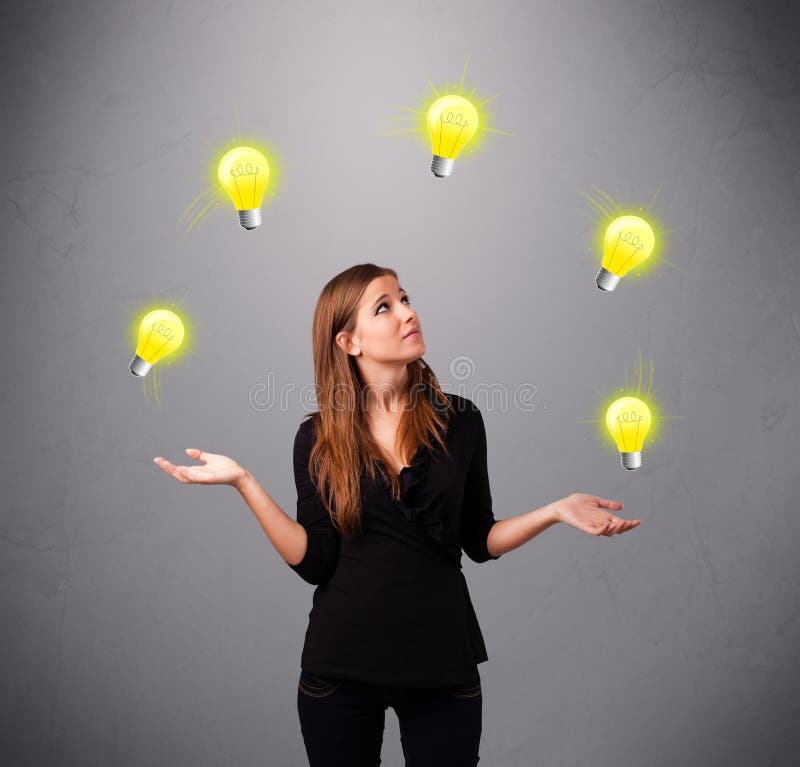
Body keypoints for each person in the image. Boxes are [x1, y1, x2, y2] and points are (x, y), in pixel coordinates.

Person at [155, 263, 642, 766]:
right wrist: (244, 482)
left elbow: (479, 540)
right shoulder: (317, 438)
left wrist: (556, 511)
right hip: (339, 671)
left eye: (405, 299)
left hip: (441, 665)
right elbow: (315, 561)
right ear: (349, 342)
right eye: (385, 307)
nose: (408, 313)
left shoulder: (463, 419)